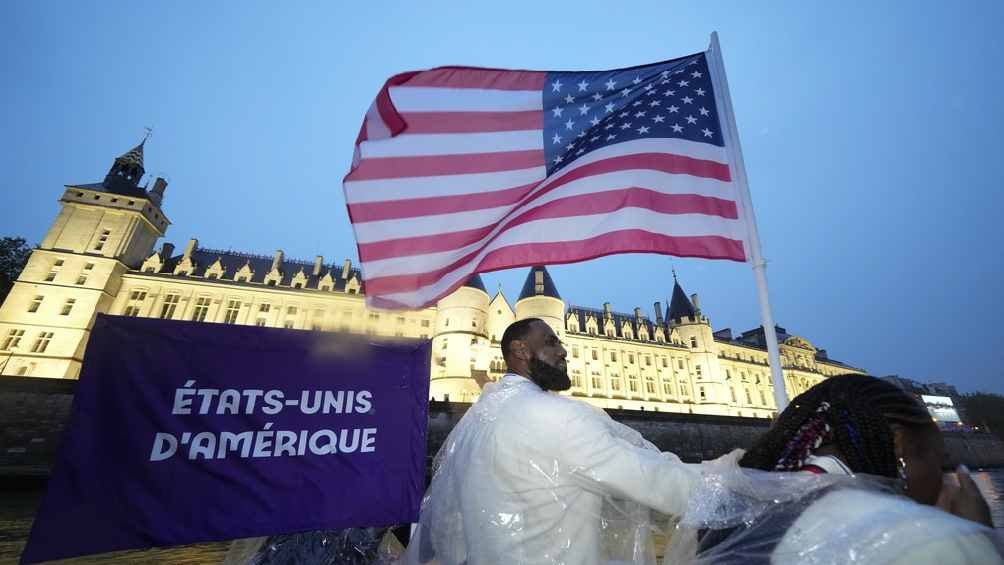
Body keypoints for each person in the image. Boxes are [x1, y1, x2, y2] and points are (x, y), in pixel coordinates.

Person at [405, 318, 702, 565]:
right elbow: (654, 481)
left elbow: (446, 522)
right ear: (520, 350)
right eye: (551, 342)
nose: (564, 351)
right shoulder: (559, 415)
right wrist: (734, 479)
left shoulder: (474, 421)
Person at [685, 374, 1001, 564]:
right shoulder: (928, 542)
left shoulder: (738, 512)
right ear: (901, 446)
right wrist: (978, 540)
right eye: (941, 461)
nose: (944, 476)